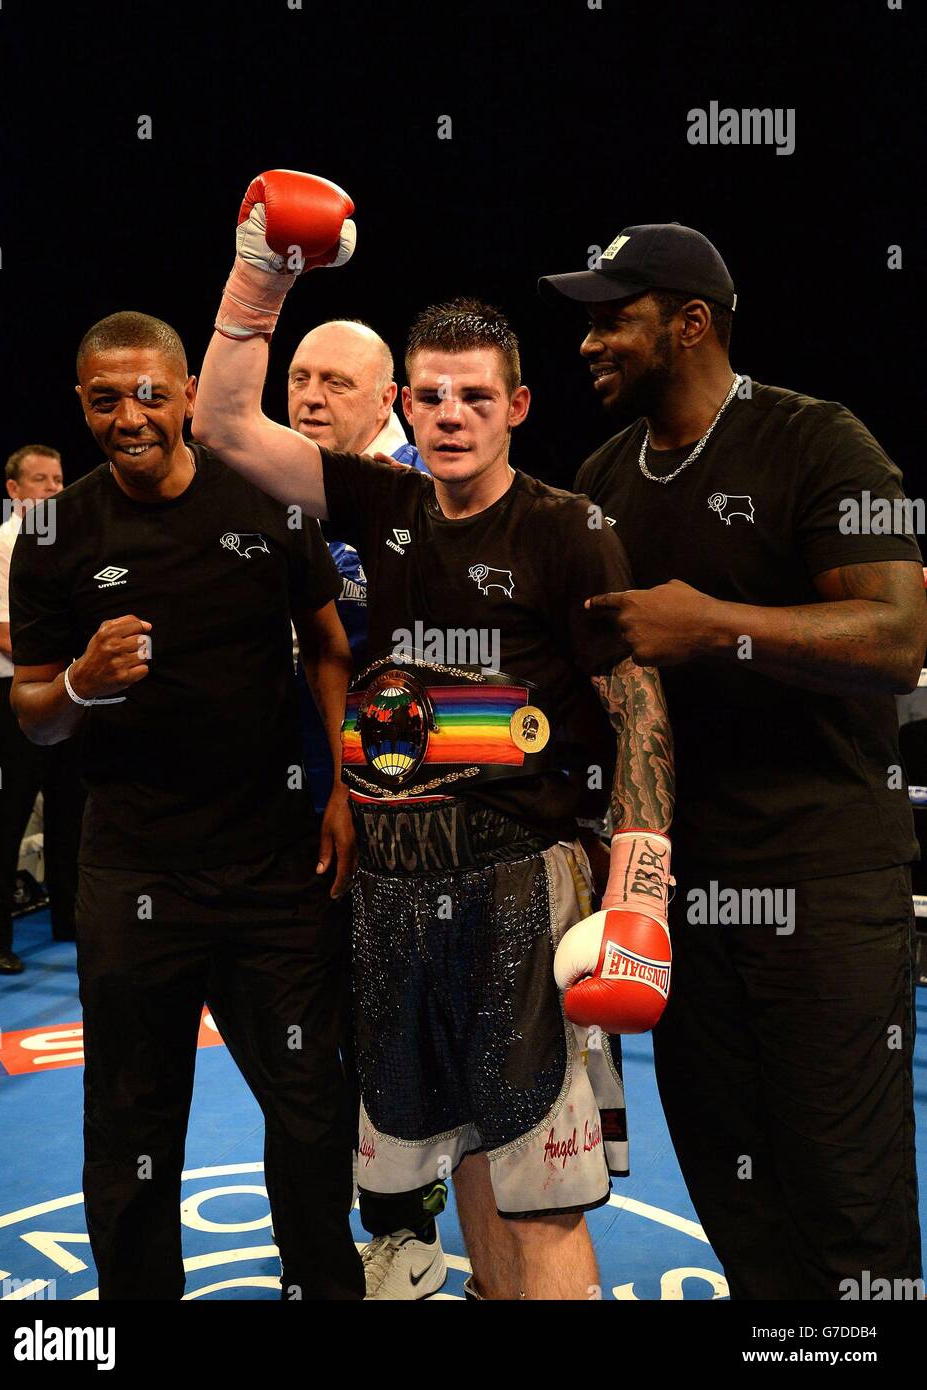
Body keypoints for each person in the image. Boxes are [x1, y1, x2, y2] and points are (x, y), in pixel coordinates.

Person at [192, 169, 676, 1300]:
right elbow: (221, 425)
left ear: (515, 406)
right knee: (462, 1159)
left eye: (473, 395)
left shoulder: (569, 529)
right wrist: (260, 275)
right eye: (430, 396)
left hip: (522, 884)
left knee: (541, 1192)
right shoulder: (378, 503)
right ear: (404, 407)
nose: (450, 413)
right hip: (399, 896)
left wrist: (640, 887)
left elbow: (638, 705)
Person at [539, 222, 926, 1298]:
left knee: (848, 1199)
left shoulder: (821, 440)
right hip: (679, 900)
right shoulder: (602, 474)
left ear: (691, 322)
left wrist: (714, 626)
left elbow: (898, 640)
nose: (589, 342)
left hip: (824, 887)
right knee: (734, 1191)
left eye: (614, 317)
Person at [8, 311, 364, 1300]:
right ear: (80, 405)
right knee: (130, 1129)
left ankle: (326, 1289)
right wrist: (80, 680)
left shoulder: (267, 504)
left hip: (273, 867)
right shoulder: (53, 534)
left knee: (310, 1111)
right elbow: (32, 714)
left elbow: (329, 643)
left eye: (151, 393)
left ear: (187, 398)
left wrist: (340, 781)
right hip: (130, 874)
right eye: (105, 399)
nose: (131, 416)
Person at [285, 318, 445, 1298]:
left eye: (335, 380)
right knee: (310, 1028)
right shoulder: (275, 486)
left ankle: (404, 1227)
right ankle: (324, 1231)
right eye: (298, 376)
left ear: (384, 397)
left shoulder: (429, 491)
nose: (309, 395)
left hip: (408, 809)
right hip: (290, 806)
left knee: (402, 1023)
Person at [0, 444, 83, 973]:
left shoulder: (74, 545)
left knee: (70, 812)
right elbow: (3, 636)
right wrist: (81, 652)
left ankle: (71, 917)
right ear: (13, 490)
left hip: (69, 693)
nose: (54, 490)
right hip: (14, 702)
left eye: (58, 480)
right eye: (41, 481)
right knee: (4, 820)